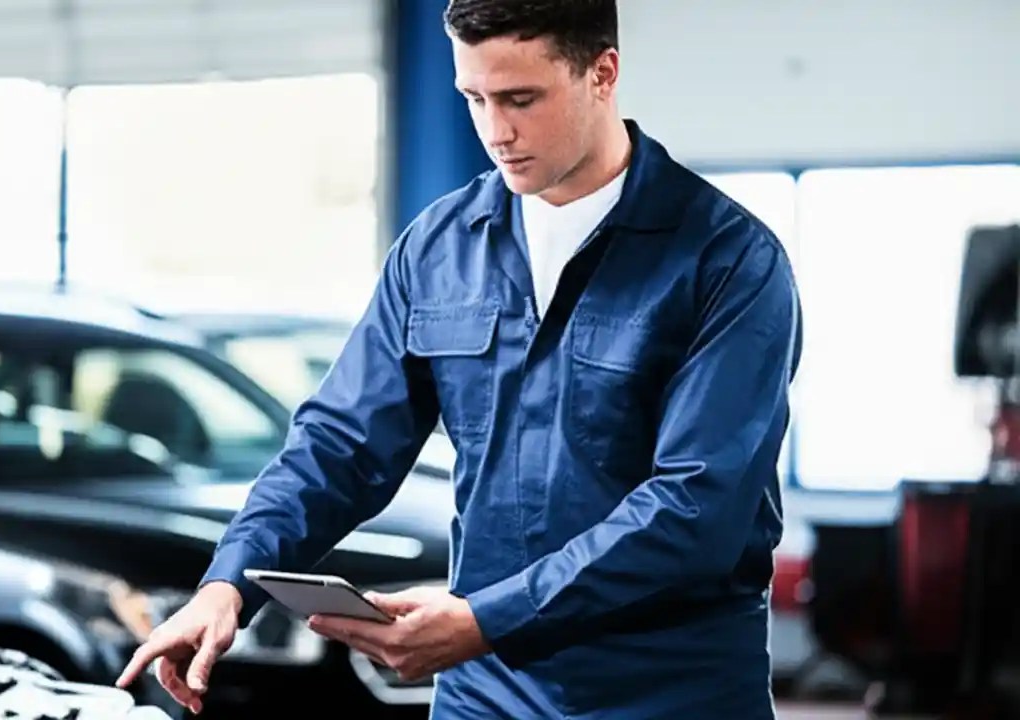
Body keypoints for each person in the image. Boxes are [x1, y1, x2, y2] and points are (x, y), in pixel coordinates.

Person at [116, 0, 802, 716]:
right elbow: (340, 447)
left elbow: (695, 510)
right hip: (489, 694)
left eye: (521, 99)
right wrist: (229, 582)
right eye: (473, 98)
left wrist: (484, 621)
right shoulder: (438, 249)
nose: (496, 132)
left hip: (667, 693)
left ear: (603, 73)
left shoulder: (728, 262)